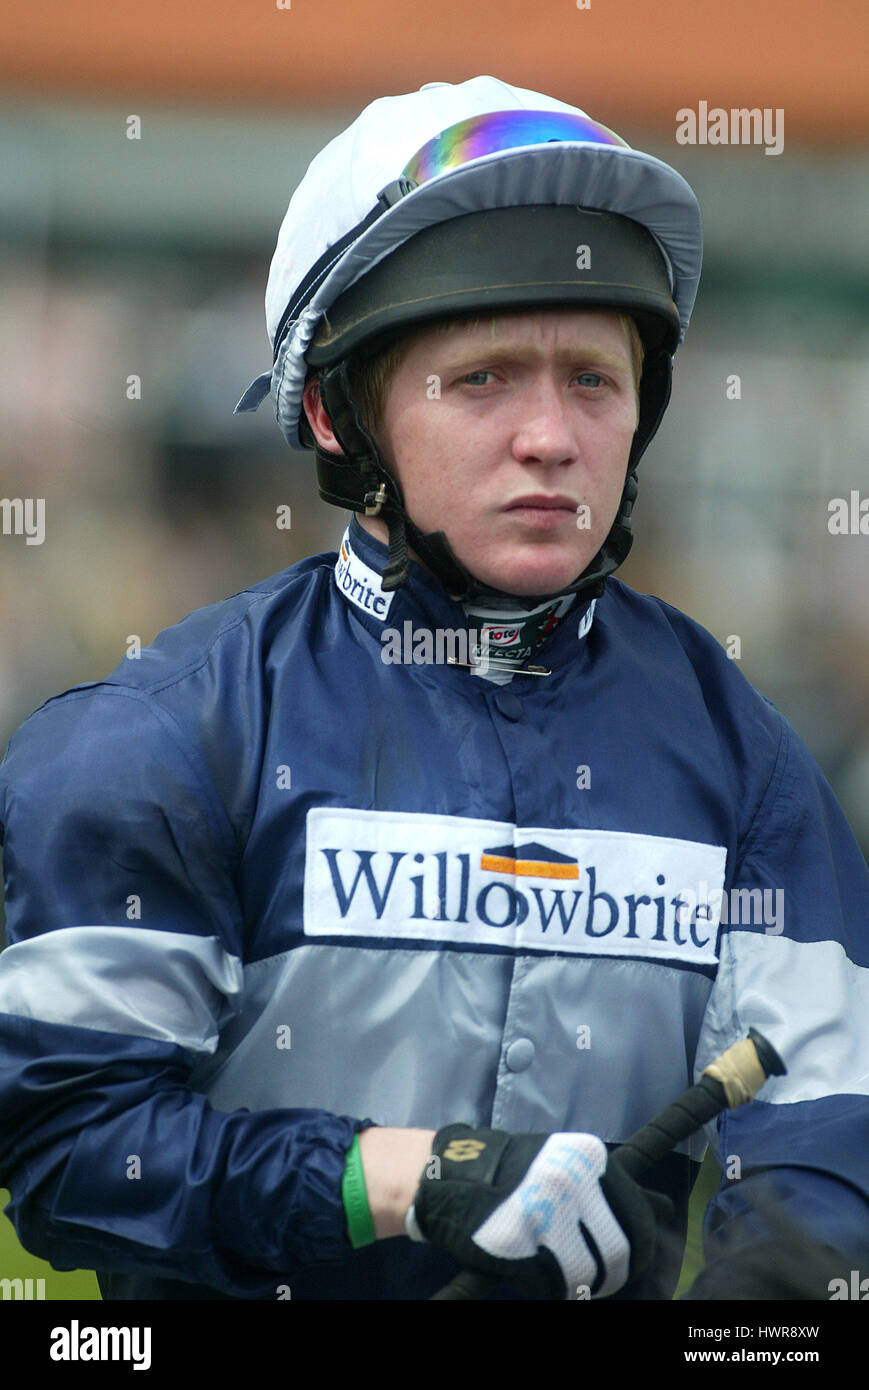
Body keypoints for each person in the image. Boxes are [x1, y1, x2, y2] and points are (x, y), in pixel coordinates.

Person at [0, 76, 867, 1302]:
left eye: (592, 380)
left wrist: (768, 1294)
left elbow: (825, 1142)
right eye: (482, 380)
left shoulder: (750, 761)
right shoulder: (161, 740)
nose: (550, 437)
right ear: (335, 414)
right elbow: (73, 1154)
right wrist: (399, 1177)